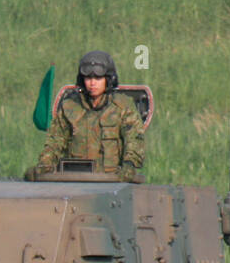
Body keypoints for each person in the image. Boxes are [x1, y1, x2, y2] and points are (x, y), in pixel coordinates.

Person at [31, 50, 145, 181]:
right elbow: (55, 141)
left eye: (97, 78)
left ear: (109, 79)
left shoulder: (122, 107)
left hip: (110, 180)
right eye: (88, 78)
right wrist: (45, 164)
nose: (92, 83)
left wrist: (129, 166)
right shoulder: (70, 107)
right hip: (75, 179)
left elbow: (135, 140)